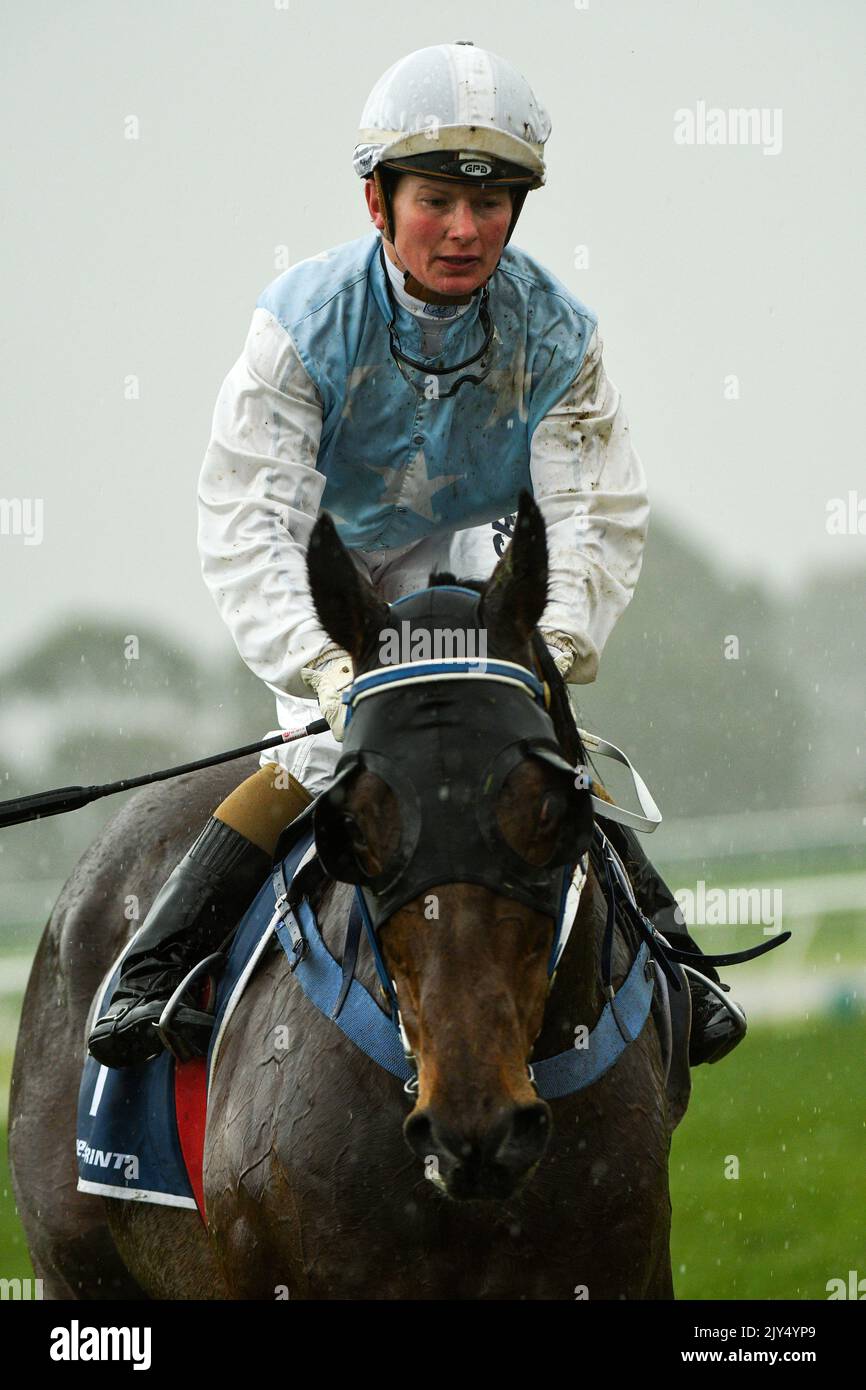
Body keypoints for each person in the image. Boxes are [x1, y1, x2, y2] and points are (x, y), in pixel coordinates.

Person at [88, 41, 745, 1070]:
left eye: (490, 205)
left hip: (482, 575)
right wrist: (318, 660)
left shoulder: (557, 334)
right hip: (341, 579)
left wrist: (557, 638)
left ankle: (675, 961)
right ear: (377, 202)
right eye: (436, 198)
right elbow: (251, 517)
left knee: (536, 755)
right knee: (318, 758)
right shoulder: (300, 328)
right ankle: (150, 971)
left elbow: (589, 509)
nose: (464, 229)